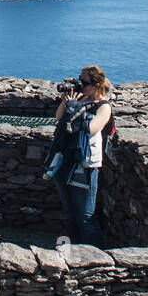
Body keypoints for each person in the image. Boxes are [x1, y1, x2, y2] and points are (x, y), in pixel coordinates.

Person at [45, 65, 112, 249]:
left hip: (85, 165)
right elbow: (59, 117)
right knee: (70, 215)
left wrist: (74, 109)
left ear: (97, 85)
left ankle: (97, 256)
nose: (80, 85)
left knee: (85, 217)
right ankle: (75, 251)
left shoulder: (104, 107)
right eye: (79, 81)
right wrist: (67, 103)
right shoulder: (80, 99)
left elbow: (90, 129)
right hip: (65, 160)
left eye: (84, 83)